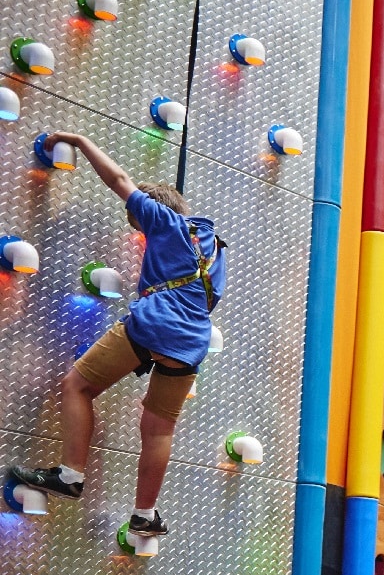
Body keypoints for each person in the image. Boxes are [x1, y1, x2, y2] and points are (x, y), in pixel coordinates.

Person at [10, 133, 226, 537]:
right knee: (159, 428)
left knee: (77, 385)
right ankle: (145, 514)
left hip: (153, 324)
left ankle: (70, 474)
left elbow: (118, 179)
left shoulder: (163, 221)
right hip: (191, 343)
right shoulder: (214, 248)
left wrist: (81, 140)